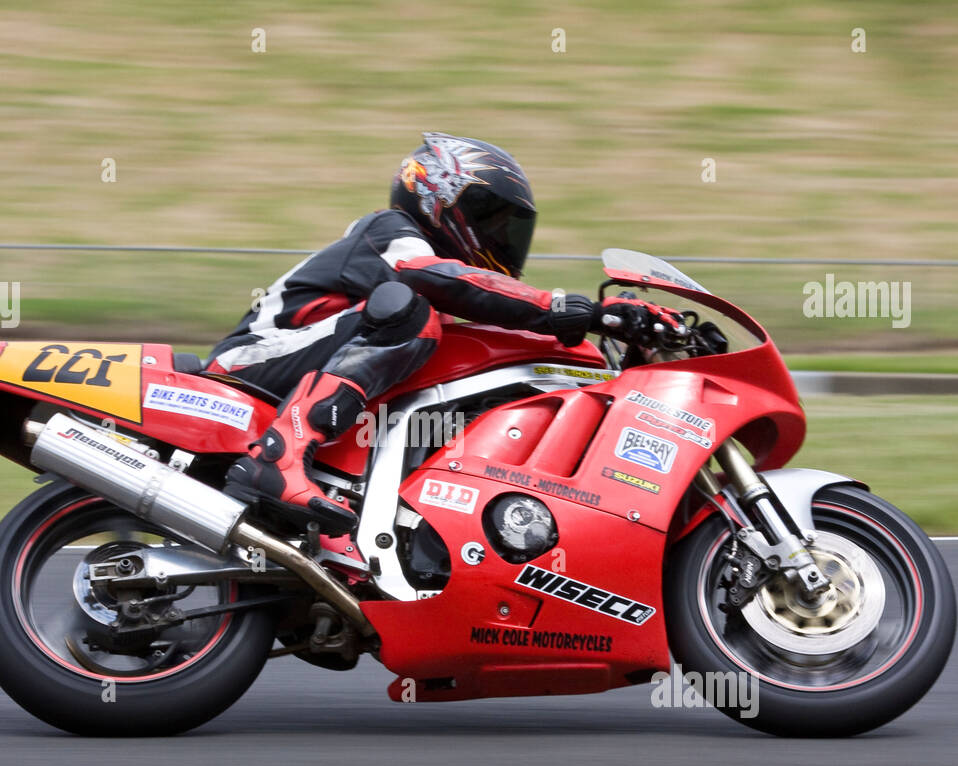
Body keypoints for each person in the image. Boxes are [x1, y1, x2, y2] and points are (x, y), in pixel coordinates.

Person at [208, 132, 684, 535]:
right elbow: (438, 278)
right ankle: (278, 456)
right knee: (407, 311)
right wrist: (571, 310)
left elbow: (478, 298)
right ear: (439, 195)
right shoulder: (388, 230)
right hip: (249, 363)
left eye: (508, 226)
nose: (500, 236)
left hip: (299, 362)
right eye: (488, 216)